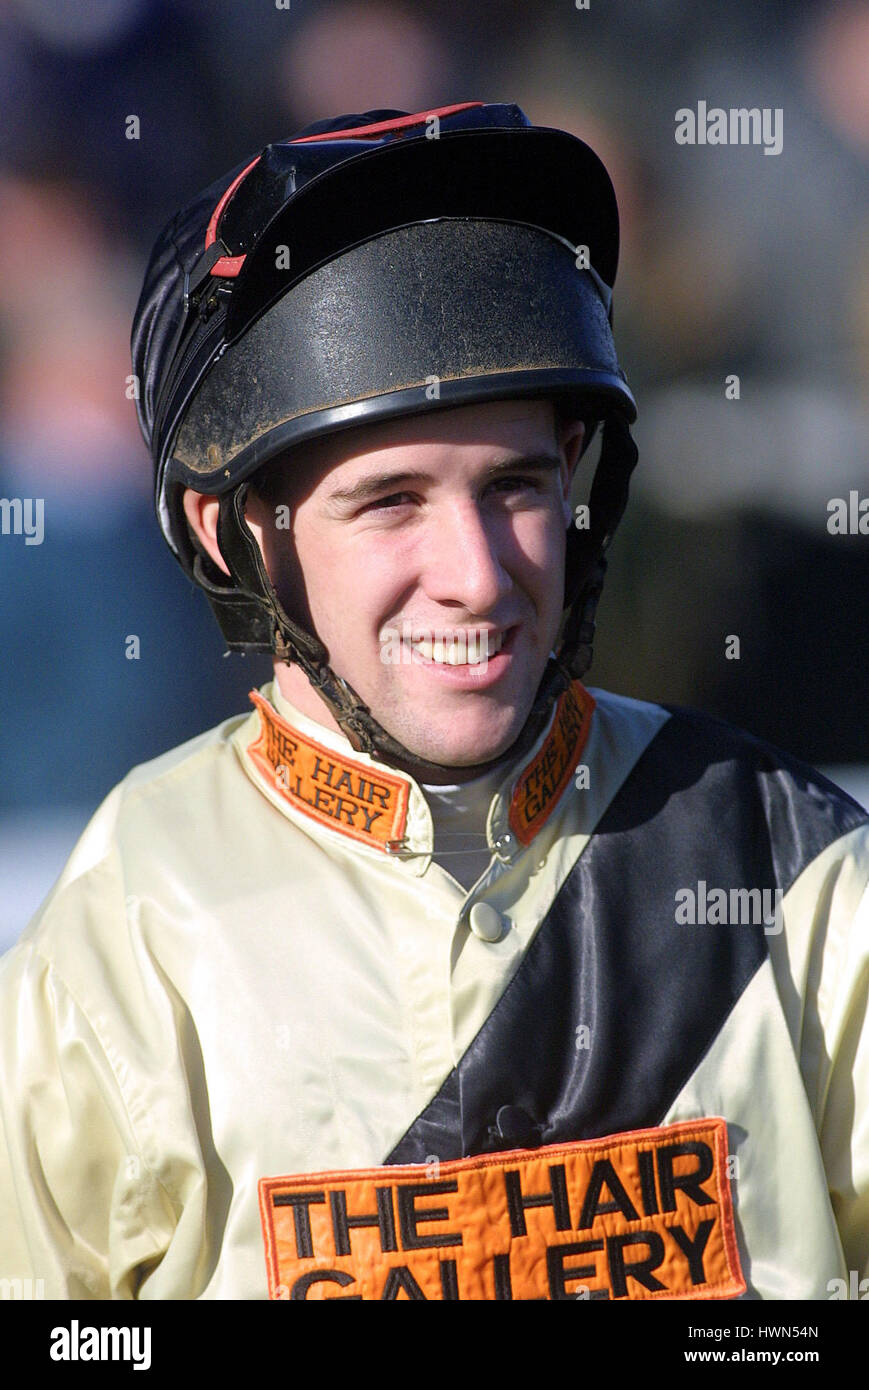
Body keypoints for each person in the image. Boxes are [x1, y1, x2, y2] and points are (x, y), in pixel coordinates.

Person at [0, 102, 866, 1302]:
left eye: (514, 484)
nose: (474, 570)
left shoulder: (806, 880)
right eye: (390, 500)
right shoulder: (121, 939)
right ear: (233, 534)